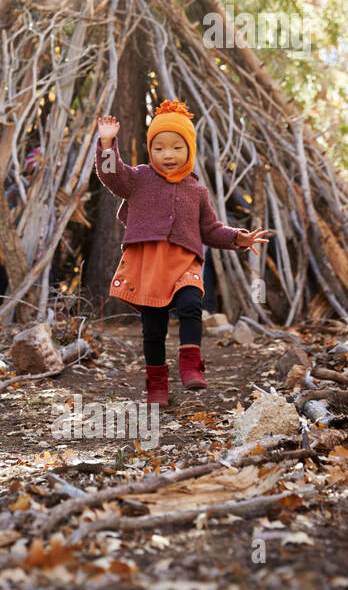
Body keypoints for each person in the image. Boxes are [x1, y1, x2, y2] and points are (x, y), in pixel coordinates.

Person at [94, 99, 271, 405]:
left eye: (177, 147)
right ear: (151, 150)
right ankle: (157, 386)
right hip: (148, 263)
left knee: (191, 303)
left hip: (182, 262)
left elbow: (210, 229)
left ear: (189, 149)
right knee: (153, 328)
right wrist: (108, 143)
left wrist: (237, 239)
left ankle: (191, 364)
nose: (168, 155)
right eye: (159, 148)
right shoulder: (139, 178)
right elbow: (112, 175)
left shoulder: (197, 190)